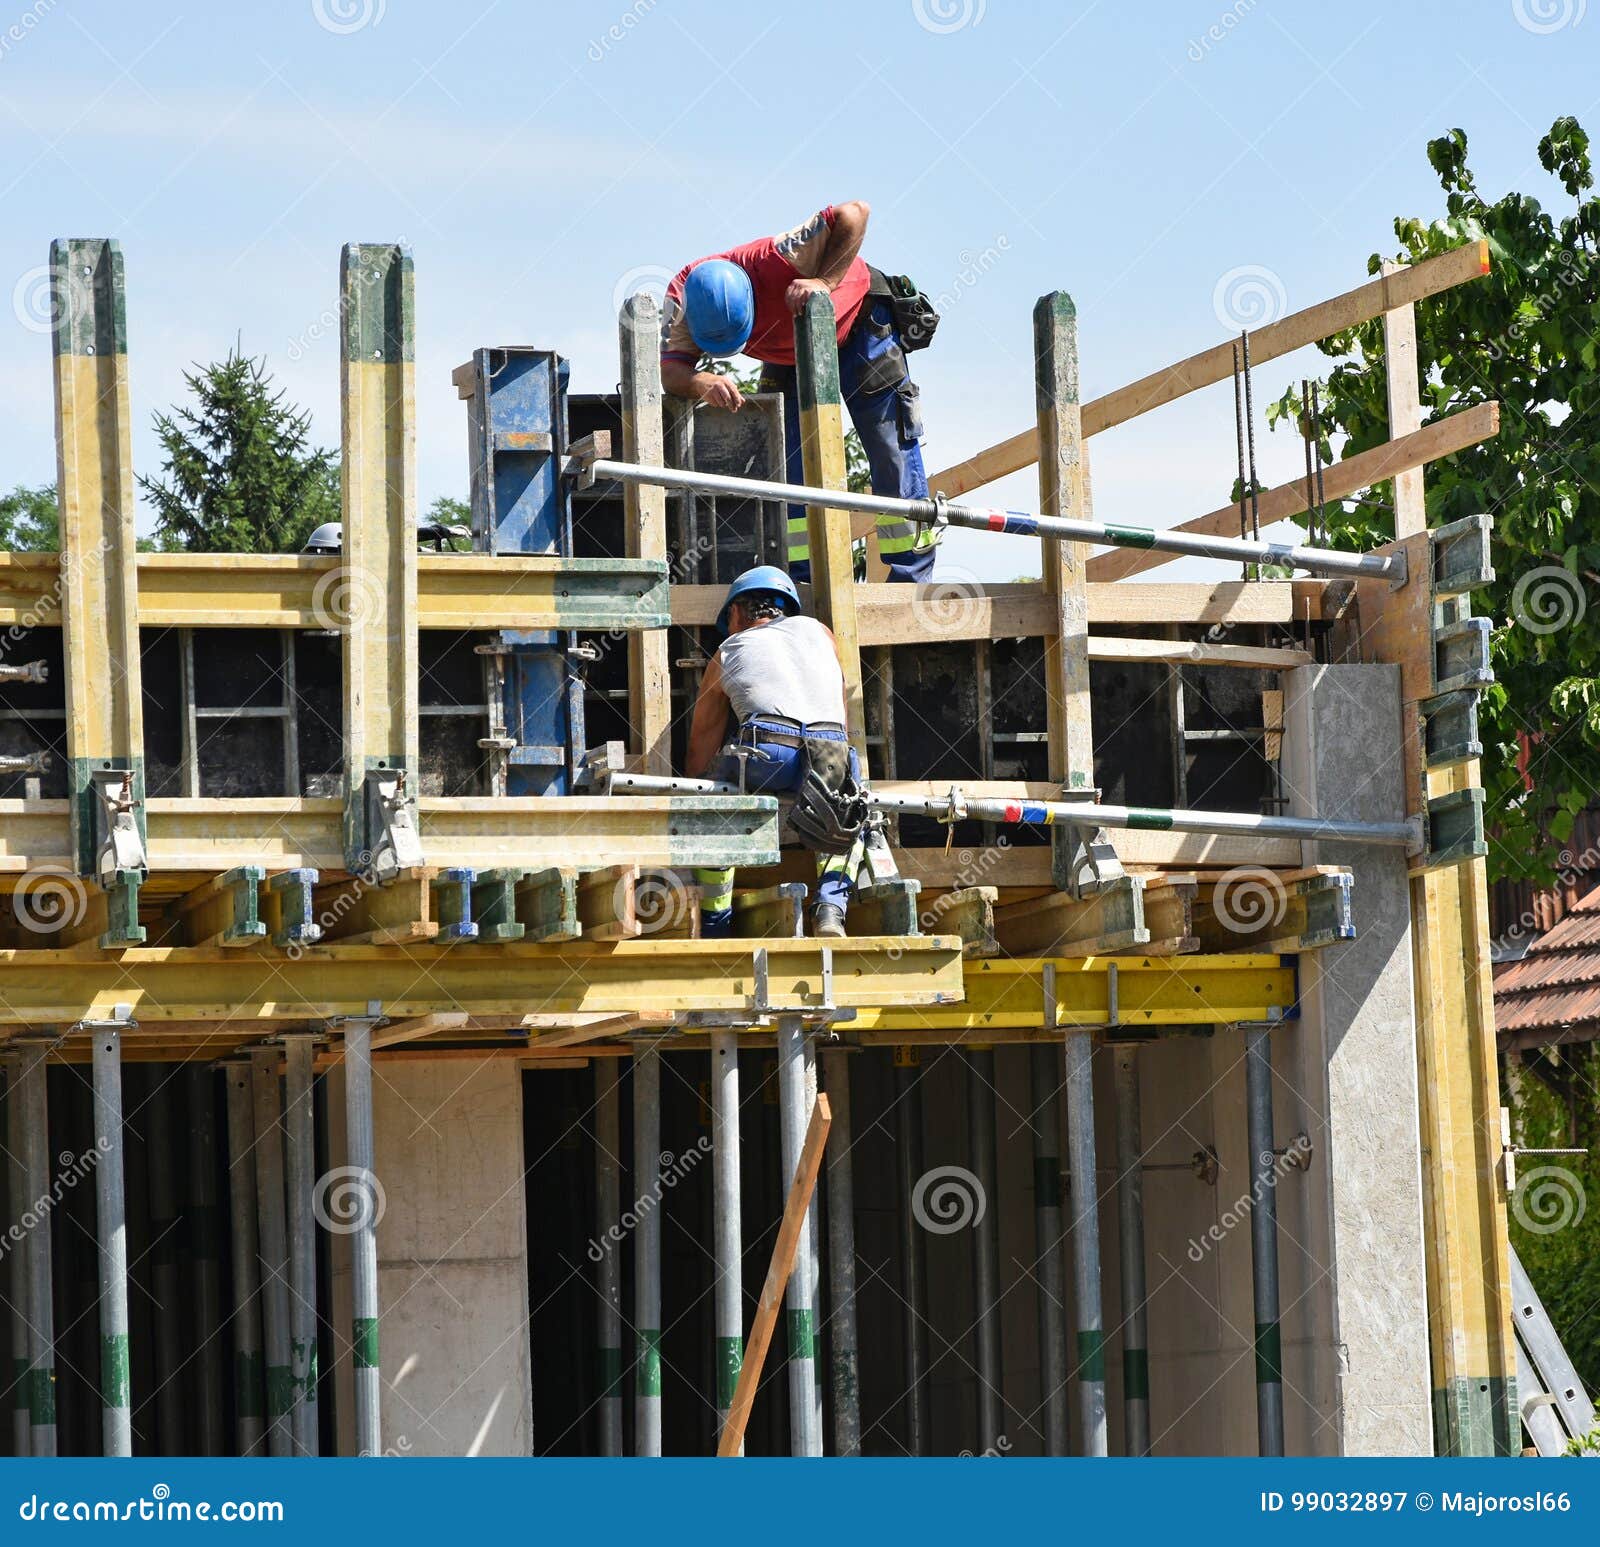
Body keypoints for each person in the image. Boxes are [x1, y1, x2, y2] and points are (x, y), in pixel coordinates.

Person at [659, 203, 941, 584]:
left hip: (859, 321)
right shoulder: (682, 298)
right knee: (787, 458)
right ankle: (804, 580)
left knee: (888, 444)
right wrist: (699, 382)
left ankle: (909, 579)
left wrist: (824, 282)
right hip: (789, 348)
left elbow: (855, 212)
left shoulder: (779, 255)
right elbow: (669, 372)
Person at [686, 566, 867, 939]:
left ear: (737, 612)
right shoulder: (822, 634)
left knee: (714, 807)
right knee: (846, 806)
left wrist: (695, 796)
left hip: (767, 752)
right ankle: (831, 908)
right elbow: (839, 712)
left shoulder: (727, 650)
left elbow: (703, 740)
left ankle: (715, 922)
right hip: (828, 748)